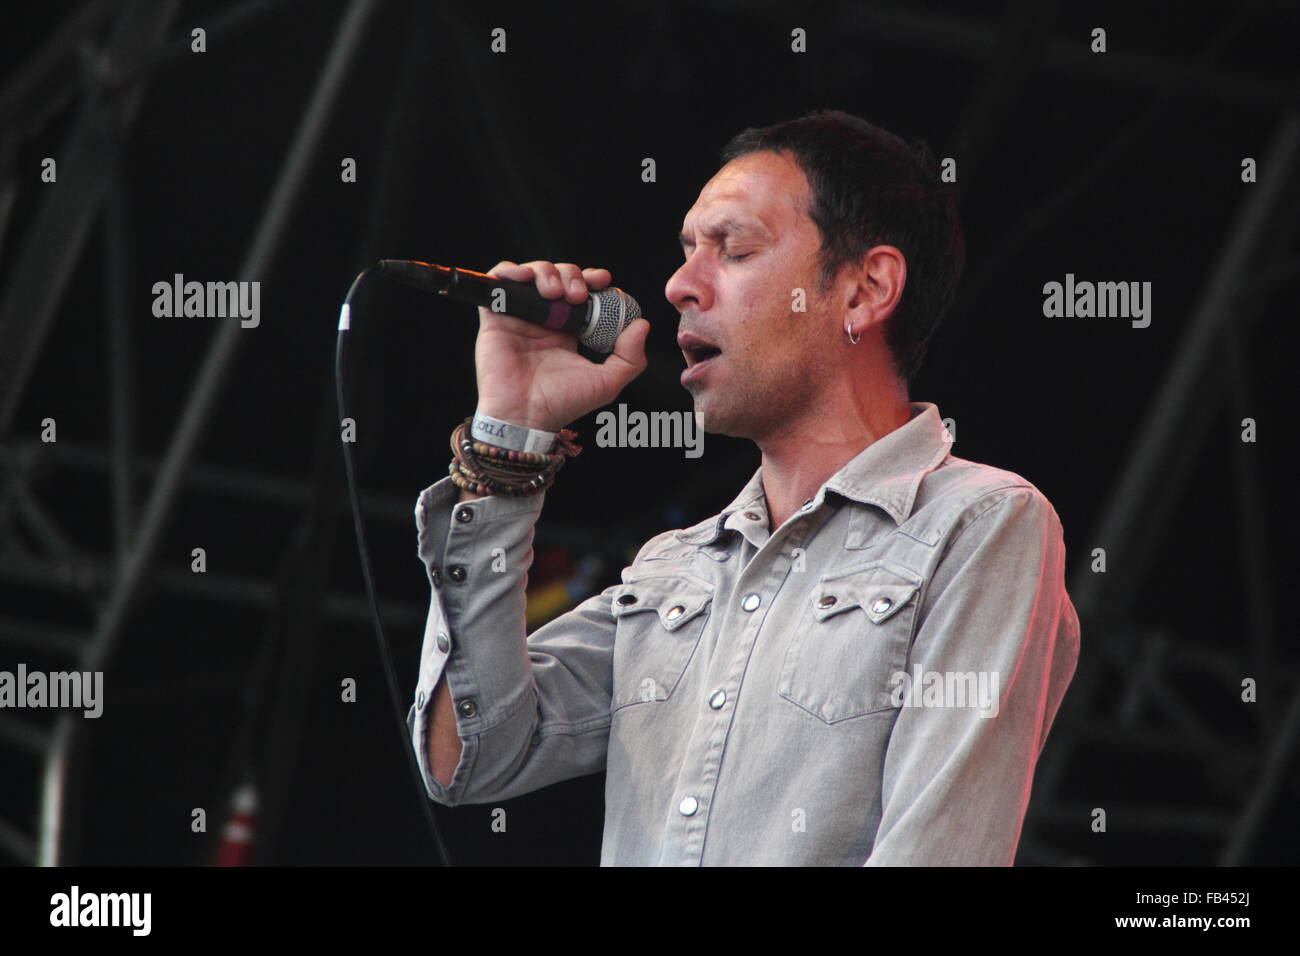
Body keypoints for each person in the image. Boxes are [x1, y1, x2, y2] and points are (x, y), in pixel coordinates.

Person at [407, 109, 1081, 865]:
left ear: (865, 290)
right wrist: (509, 431)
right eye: (687, 251)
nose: (679, 286)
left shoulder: (980, 522)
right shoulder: (677, 566)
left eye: (733, 249)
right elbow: (467, 756)